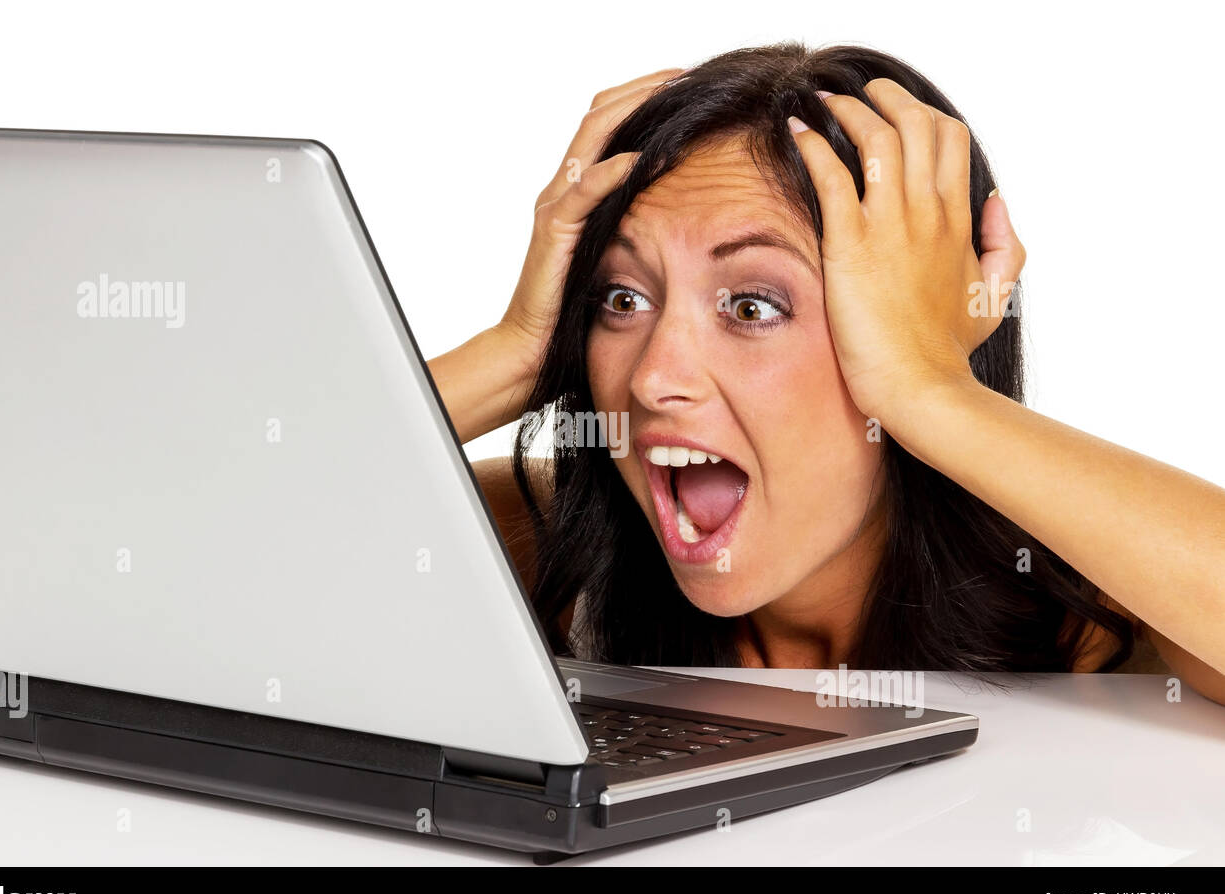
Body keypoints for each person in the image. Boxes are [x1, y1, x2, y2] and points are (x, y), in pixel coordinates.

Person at [428, 42, 1225, 704]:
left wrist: (932, 389)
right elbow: (299, 527)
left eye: (751, 307)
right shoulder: (550, 539)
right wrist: (517, 352)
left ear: (898, 337)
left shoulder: (1088, 599)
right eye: (622, 297)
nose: (652, 379)